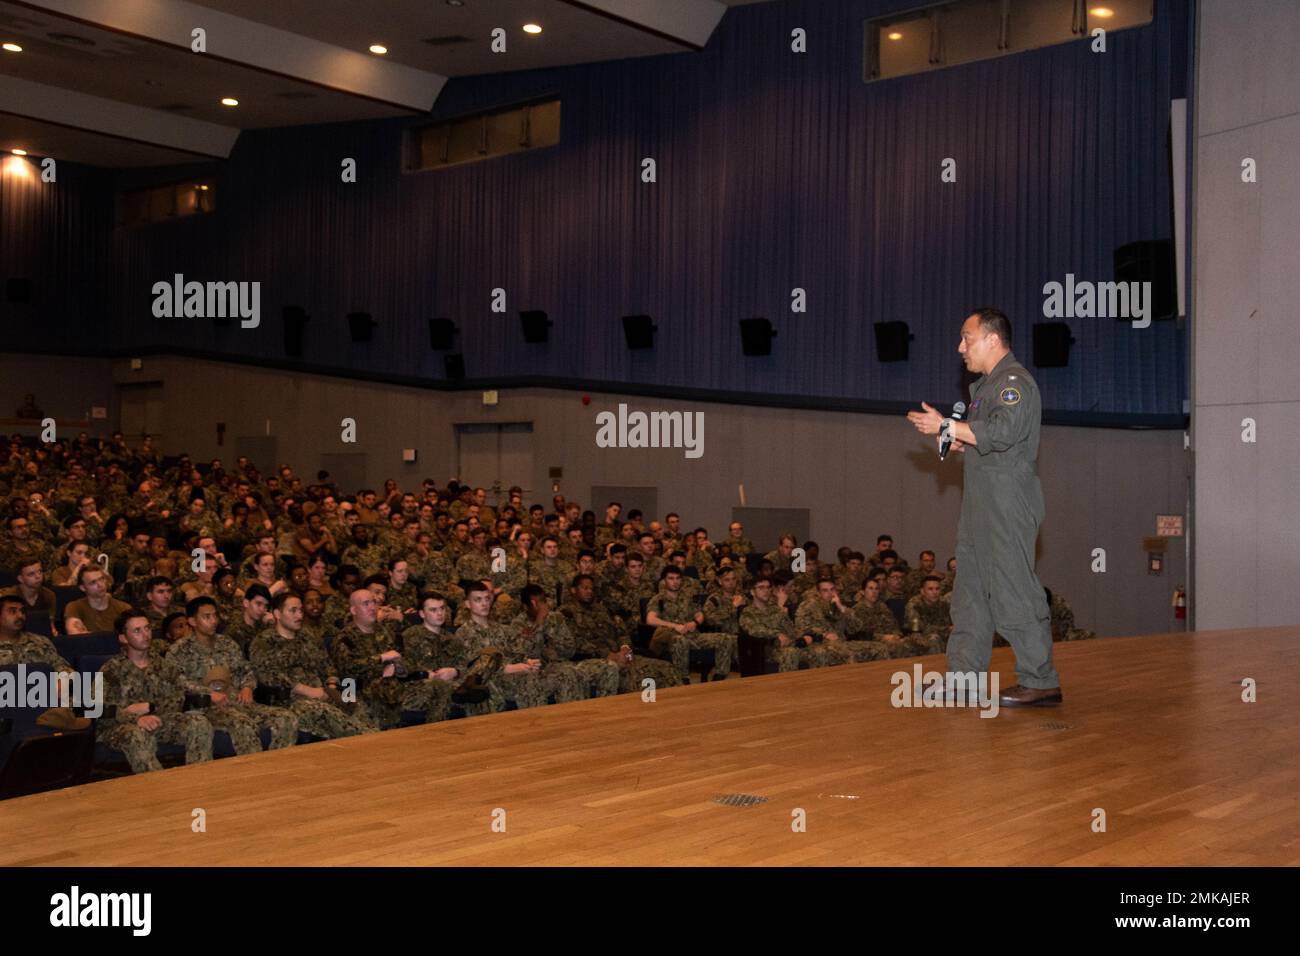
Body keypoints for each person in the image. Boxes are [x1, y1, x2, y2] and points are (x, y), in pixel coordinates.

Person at [907, 307, 1062, 705]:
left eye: (967, 338)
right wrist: (961, 440)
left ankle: (1040, 679)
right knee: (970, 593)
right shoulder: (987, 389)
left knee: (1014, 590)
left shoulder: (1014, 383)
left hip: (1006, 508)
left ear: (993, 340)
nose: (960, 347)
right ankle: (965, 678)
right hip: (980, 507)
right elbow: (989, 441)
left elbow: (1005, 432)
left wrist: (948, 426)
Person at [98, 610, 215, 774]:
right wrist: (133, 717)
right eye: (137, 631)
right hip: (121, 727)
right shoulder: (111, 670)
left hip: (159, 720)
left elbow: (178, 697)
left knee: (199, 723)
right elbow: (96, 708)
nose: (145, 634)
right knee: (136, 735)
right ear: (123, 638)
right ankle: (159, 790)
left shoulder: (163, 665)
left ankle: (197, 781)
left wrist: (150, 708)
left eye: (147, 628)